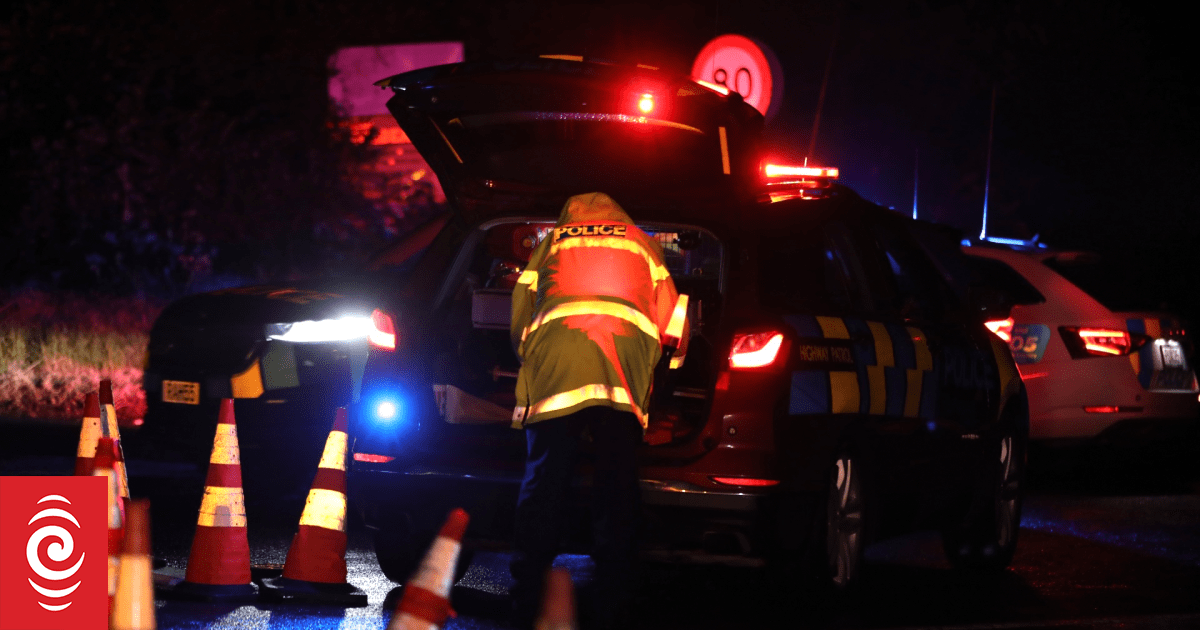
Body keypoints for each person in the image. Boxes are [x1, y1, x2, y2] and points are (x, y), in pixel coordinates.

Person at [508, 192, 689, 629]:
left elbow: (520, 302)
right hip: (622, 364)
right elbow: (674, 314)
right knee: (616, 476)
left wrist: (526, 354)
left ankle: (531, 572)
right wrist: (672, 370)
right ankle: (616, 574)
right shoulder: (642, 242)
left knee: (545, 474)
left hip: (559, 359)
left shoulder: (554, 240)